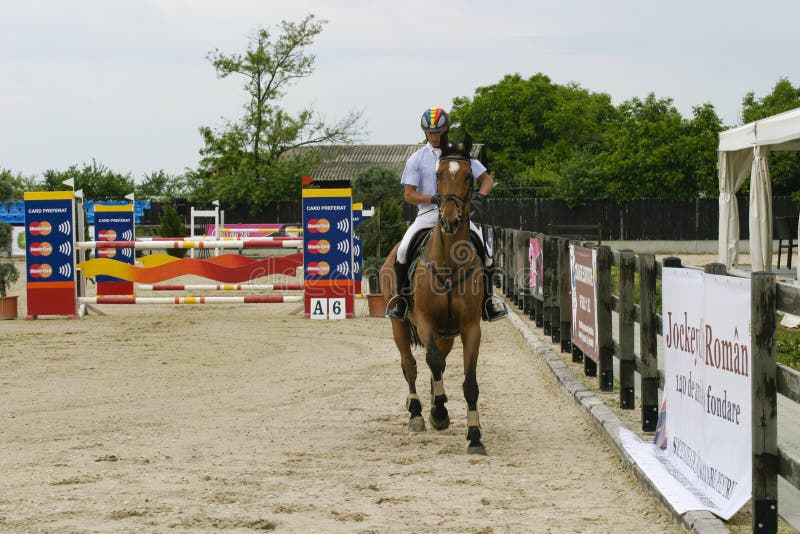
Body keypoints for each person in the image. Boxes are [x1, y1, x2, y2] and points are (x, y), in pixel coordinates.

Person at [387, 107, 508, 322]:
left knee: (487, 251)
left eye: (439, 132)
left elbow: (487, 180)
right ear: (425, 133)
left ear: (446, 130)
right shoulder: (416, 159)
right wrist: (431, 199)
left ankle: (488, 301)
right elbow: (408, 195)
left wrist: (479, 198)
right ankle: (402, 300)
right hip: (427, 215)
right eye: (431, 133)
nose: (435, 136)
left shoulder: (460, 155)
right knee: (403, 250)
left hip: (459, 216)